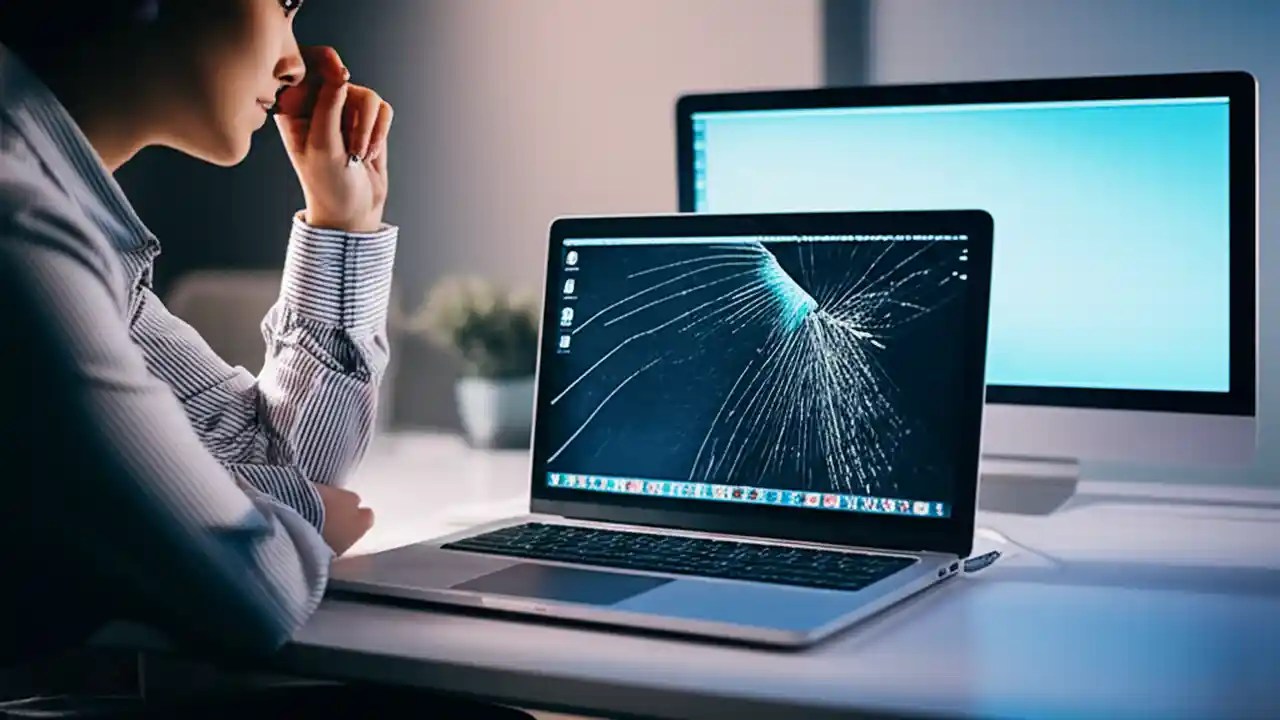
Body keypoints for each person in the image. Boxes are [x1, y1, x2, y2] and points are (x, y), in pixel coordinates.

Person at [0, 1, 529, 717]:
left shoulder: (69, 221)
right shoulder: (19, 220)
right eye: (281, 5)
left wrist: (344, 222)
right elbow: (252, 586)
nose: (294, 62)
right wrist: (300, 508)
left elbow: (273, 454)